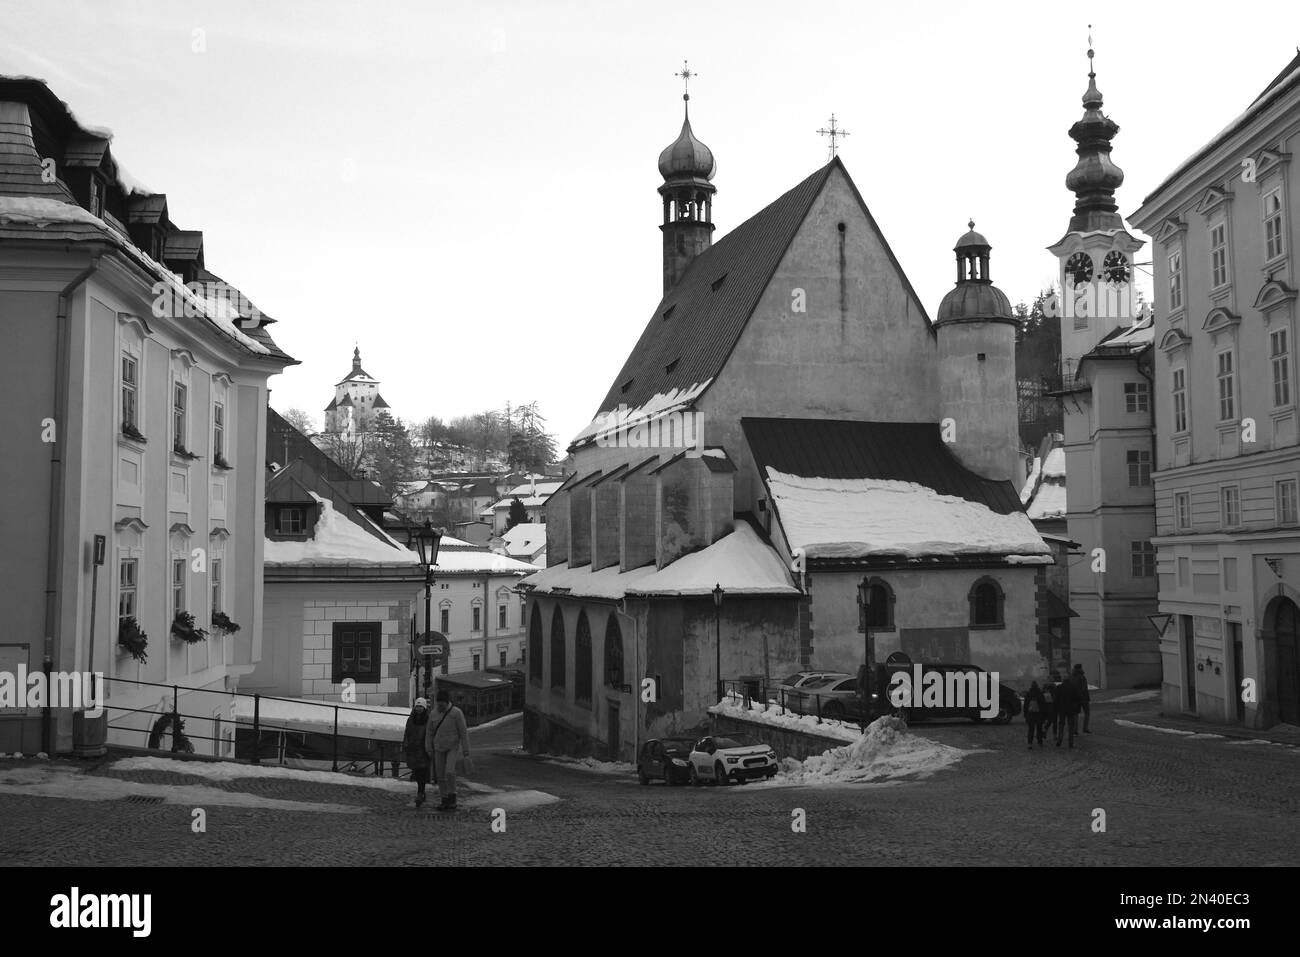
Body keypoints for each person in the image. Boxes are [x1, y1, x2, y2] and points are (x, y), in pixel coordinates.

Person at [425, 687, 470, 811]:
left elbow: (463, 732)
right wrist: (428, 748)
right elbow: (429, 732)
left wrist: (466, 751)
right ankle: (444, 799)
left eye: (442, 704)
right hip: (438, 747)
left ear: (447, 702)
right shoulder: (433, 714)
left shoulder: (456, 713)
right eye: (438, 704)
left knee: (449, 772)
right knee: (440, 775)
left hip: (452, 747)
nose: (440, 706)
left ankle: (452, 796)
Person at [403, 698, 431, 807]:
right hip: (413, 749)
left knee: (422, 771)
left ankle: (420, 792)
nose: (418, 708)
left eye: (420, 707)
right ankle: (421, 792)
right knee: (418, 771)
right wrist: (406, 744)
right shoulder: (411, 719)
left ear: (424, 708)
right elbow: (407, 732)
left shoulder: (428, 719)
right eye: (417, 706)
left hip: (423, 749)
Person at [1055, 667, 1082, 748]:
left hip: (1062, 709)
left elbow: (1056, 699)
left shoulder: (1059, 687)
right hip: (1071, 710)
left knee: (1061, 725)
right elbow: (1077, 699)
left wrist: (1056, 709)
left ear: (1063, 679)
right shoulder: (1073, 687)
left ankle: (1059, 739)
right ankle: (1071, 742)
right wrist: (1077, 709)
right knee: (1071, 726)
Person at [1023, 681, 1047, 748]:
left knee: (1031, 729)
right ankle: (1040, 742)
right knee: (1039, 729)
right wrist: (1044, 715)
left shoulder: (1029, 694)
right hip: (1039, 714)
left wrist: (1025, 715)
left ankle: (1030, 743)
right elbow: (1043, 705)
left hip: (1030, 714)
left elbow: (1025, 705)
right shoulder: (1040, 694)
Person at [1072, 663, 1092, 733]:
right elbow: (1083, 688)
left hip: (1075, 698)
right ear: (1080, 668)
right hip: (1083, 698)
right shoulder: (1082, 677)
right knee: (1087, 713)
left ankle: (1075, 729)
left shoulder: (1072, 677)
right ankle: (1085, 728)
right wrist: (1084, 697)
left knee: (1075, 714)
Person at [1041, 673, 1059, 742]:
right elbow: (1057, 697)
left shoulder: (1044, 687)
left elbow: (1041, 696)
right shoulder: (1054, 687)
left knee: (1050, 720)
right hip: (1054, 706)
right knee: (1054, 721)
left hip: (1046, 706)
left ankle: (1045, 730)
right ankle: (1054, 735)